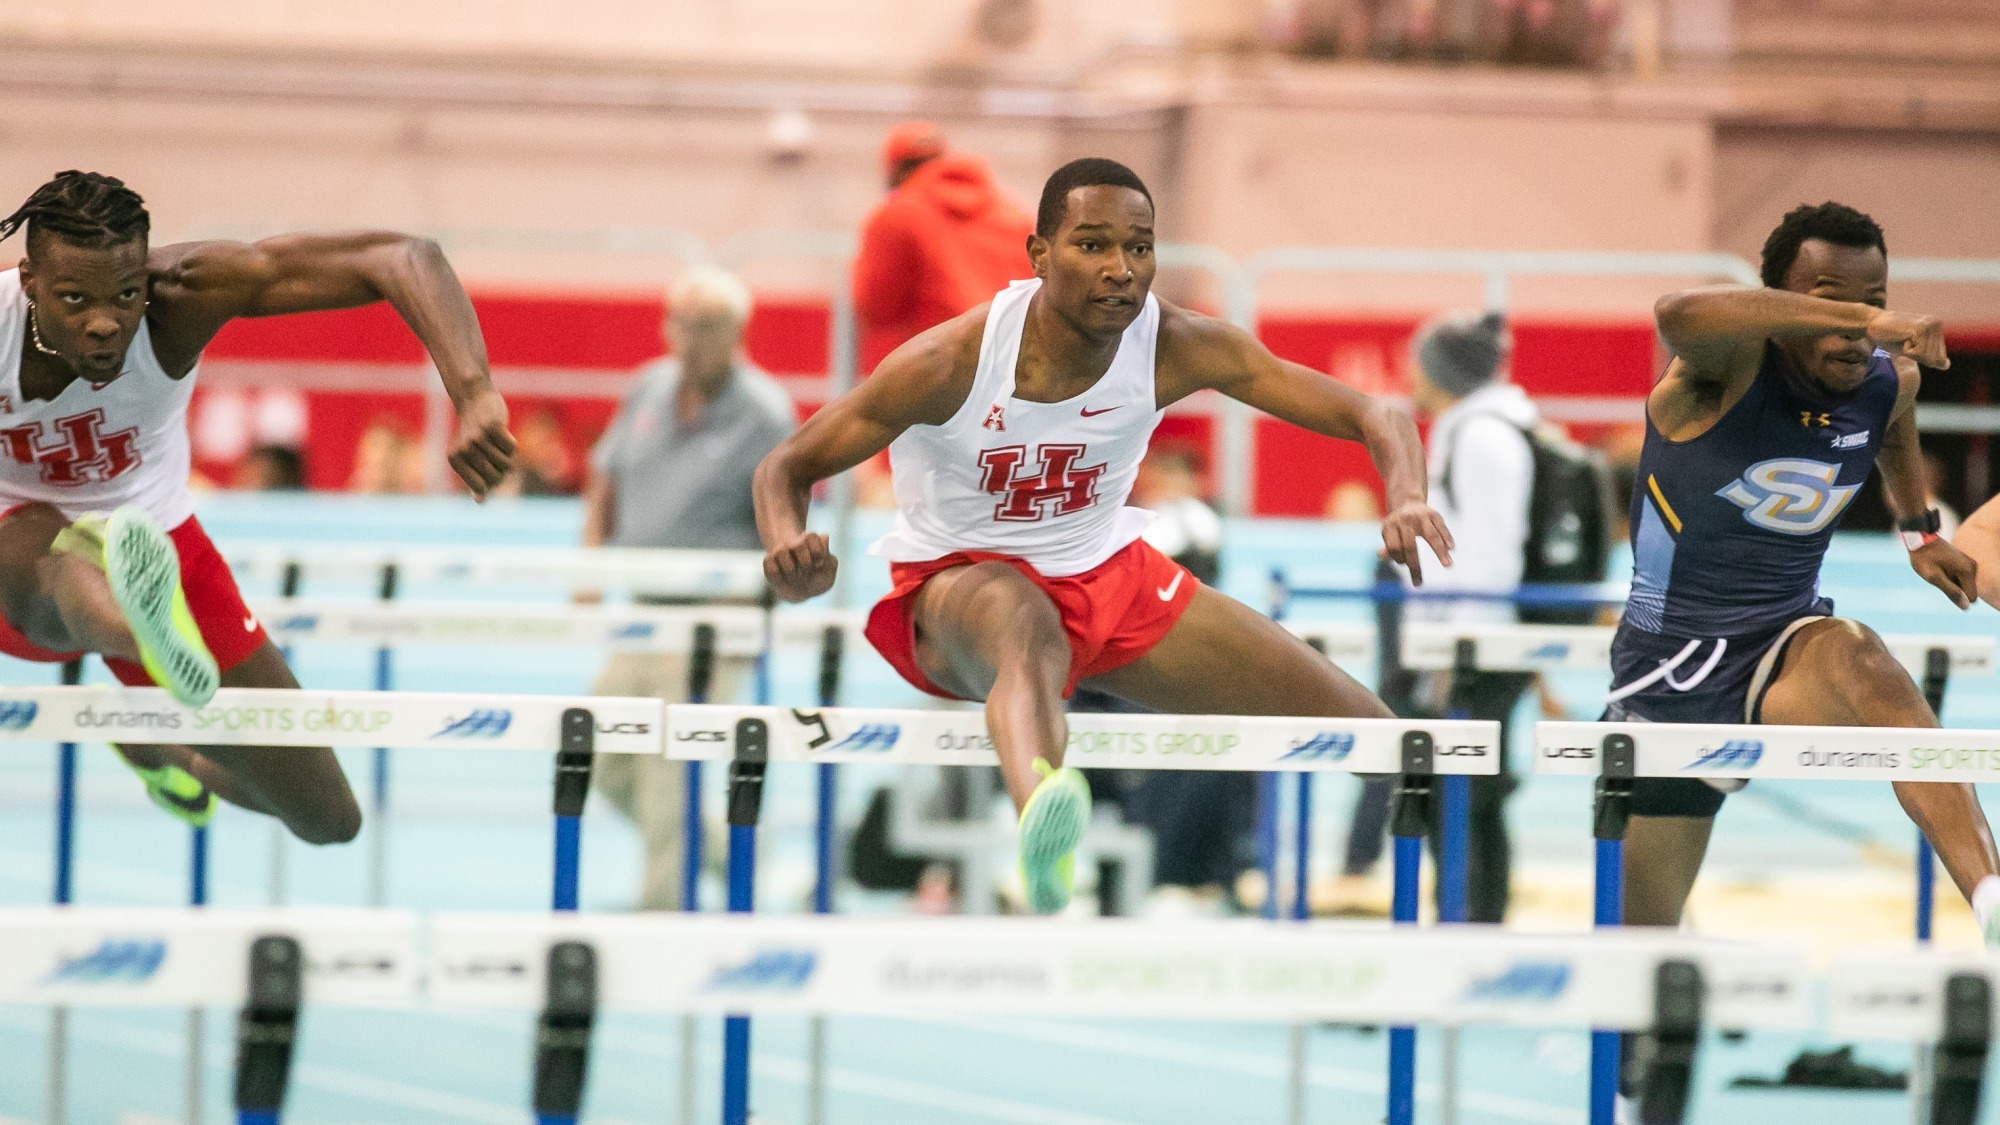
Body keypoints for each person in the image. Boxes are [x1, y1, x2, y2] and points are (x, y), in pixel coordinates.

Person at [756, 158, 1455, 913]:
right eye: (1092, 245)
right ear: (1039, 254)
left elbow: (1376, 414)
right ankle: (1044, 822)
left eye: (1139, 247)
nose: (1121, 268)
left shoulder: (1176, 344)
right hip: (959, 586)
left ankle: (1452, 916)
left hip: (1110, 576)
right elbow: (786, 465)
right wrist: (786, 545)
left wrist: (1407, 496)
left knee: (1379, 734)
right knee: (1023, 622)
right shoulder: (951, 361)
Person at [0, 170, 515, 842]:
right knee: (53, 553)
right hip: (19, 541)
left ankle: (162, 748)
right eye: (74, 299)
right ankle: (139, 632)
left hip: (157, 540)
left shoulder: (181, 293)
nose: (104, 323)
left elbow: (401, 255)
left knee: (327, 818)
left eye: (125, 295)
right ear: (29, 280)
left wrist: (474, 392)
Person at [1611, 201, 2000, 944]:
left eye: (1876, 301)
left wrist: (1919, 529)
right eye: (1834, 305)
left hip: (1782, 648)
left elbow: (1893, 432)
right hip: (1667, 673)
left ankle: (1991, 901)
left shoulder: (1889, 382)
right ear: (1780, 305)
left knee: (1866, 659)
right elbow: (1675, 312)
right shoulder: (1722, 371)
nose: (1857, 331)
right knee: (1636, 945)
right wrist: (1868, 317)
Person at [581, 264, 794, 911]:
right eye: (680, 323)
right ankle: (733, 857)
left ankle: (661, 912)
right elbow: (606, 472)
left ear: (737, 331)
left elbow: (785, 517)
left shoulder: (765, 414)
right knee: (600, 755)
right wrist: (591, 563)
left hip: (716, 615)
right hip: (644, 608)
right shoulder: (648, 387)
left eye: (705, 326)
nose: (689, 339)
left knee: (669, 767)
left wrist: (761, 612)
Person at [1338, 310, 1537, 923]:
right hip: (1463, 640)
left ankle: (1473, 922)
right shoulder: (1473, 430)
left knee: (1465, 793)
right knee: (1463, 791)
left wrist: (1455, 649)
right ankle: (1470, 918)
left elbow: (1491, 559)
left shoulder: (1484, 438)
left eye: (1418, 363)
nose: (1410, 374)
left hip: (1469, 647)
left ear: (1443, 371)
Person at [852, 121, 1035, 374]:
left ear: (895, 171)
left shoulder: (896, 214)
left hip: (939, 370)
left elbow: (875, 308)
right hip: (1013, 363)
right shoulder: (1014, 212)